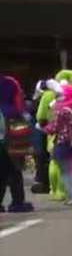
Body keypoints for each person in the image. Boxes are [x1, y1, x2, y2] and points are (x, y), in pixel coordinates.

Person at [44, 84, 72, 205]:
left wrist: (43, 127)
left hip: (62, 143)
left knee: (65, 171)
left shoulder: (60, 111)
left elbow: (53, 128)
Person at [0, 75, 35, 213]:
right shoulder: (11, 83)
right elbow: (20, 105)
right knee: (15, 170)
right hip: (13, 135)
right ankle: (17, 202)